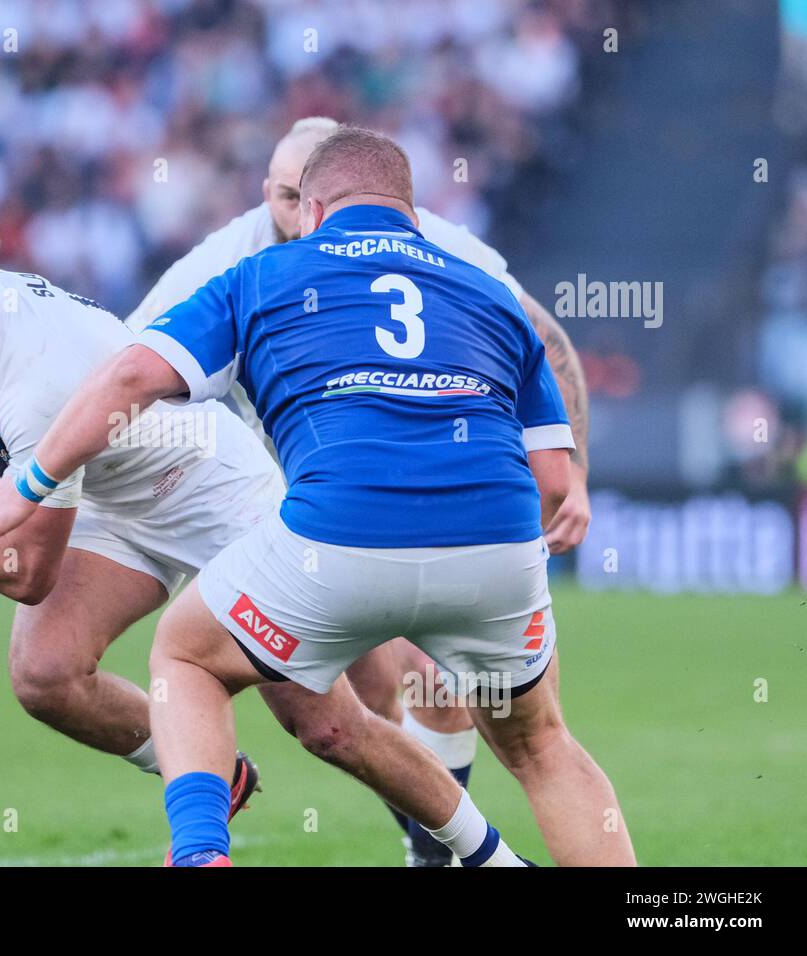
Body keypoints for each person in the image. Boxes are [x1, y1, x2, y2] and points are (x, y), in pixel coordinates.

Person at [0, 128, 635, 867]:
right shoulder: (485, 286)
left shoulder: (261, 274)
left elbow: (125, 380)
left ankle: (204, 853)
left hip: (335, 534)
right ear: (413, 213)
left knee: (187, 657)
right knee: (542, 746)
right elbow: (554, 479)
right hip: (496, 543)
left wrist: (29, 484)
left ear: (311, 210)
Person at [127, 115, 594, 866]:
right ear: (272, 195)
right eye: (278, 194)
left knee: (382, 691)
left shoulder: (427, 251)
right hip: (296, 502)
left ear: (321, 199)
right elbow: (131, 366)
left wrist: (35, 482)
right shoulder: (232, 257)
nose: (288, 212)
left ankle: (438, 854)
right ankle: (467, 857)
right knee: (357, 722)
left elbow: (546, 340)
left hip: (354, 508)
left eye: (297, 196)